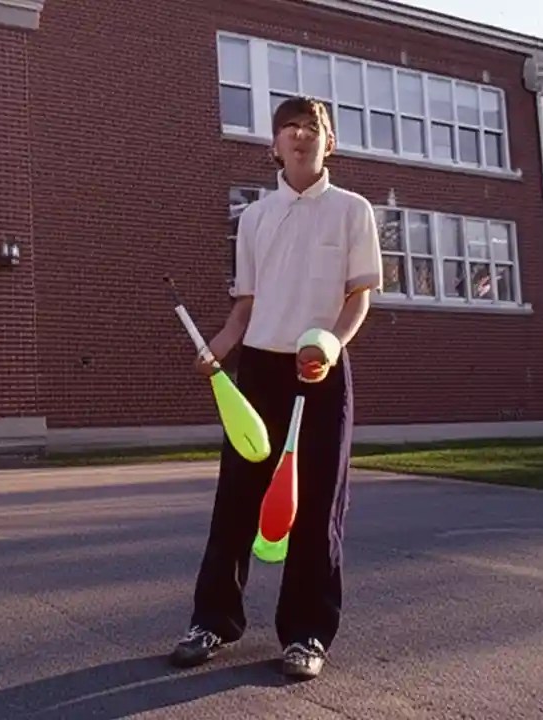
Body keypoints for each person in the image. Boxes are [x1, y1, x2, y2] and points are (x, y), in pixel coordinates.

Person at [169, 96, 382, 680]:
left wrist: (330, 346)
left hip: (320, 369)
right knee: (236, 499)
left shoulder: (353, 210)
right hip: (258, 371)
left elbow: (358, 297)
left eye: (310, 128)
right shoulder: (255, 218)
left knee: (316, 507)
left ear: (328, 141)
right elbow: (246, 308)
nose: (298, 136)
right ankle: (212, 620)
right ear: (273, 145)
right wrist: (217, 348)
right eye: (287, 128)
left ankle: (307, 635)